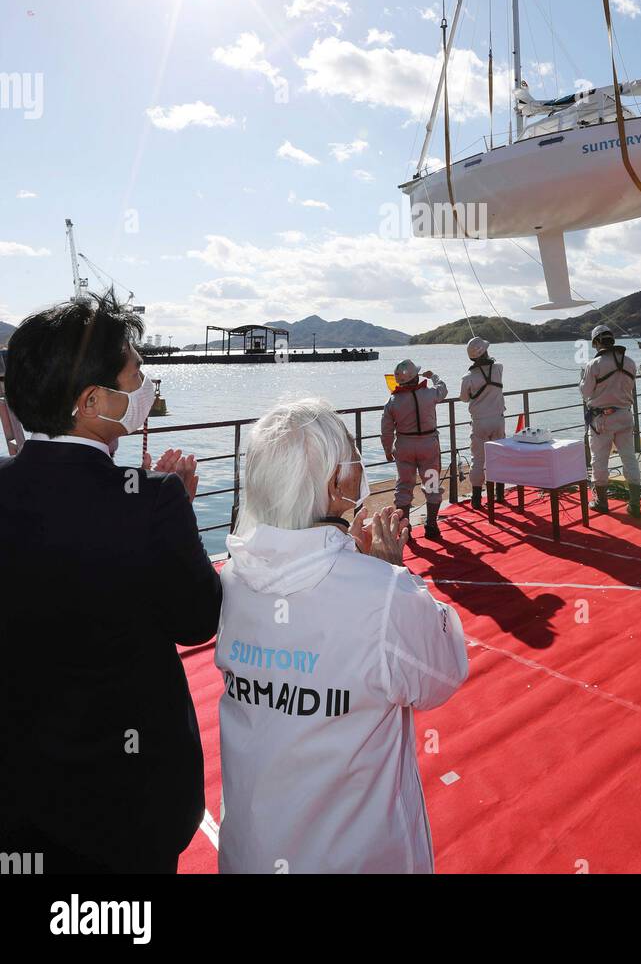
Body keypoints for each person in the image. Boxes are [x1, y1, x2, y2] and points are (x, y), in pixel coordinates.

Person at [0, 292, 221, 874]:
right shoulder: (154, 502)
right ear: (93, 400)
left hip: (21, 799)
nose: (146, 386)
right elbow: (198, 617)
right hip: (132, 802)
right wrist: (179, 518)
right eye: (135, 374)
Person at [216, 398, 468, 875]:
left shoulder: (232, 578)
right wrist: (396, 576)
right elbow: (442, 675)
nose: (361, 468)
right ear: (336, 484)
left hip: (248, 852)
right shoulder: (384, 593)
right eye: (353, 458)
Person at [381, 359, 448, 540]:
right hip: (429, 445)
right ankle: (432, 526)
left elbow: (386, 430)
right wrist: (433, 376)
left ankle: (405, 530)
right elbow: (443, 390)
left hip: (404, 446)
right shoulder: (429, 393)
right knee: (432, 484)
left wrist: (387, 450)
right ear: (415, 377)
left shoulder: (393, 401)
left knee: (403, 487)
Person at [581, 323, 641, 519]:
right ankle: (634, 504)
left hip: (602, 419)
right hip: (625, 414)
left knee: (599, 460)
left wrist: (583, 380)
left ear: (597, 342)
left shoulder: (594, 365)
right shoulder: (630, 362)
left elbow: (585, 392)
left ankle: (601, 502)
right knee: (629, 458)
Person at [460, 336, 505, 510]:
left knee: (478, 459)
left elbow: (464, 398)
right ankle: (499, 494)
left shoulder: (468, 377)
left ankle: (477, 498)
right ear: (485, 351)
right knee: (499, 457)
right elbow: (494, 365)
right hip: (498, 419)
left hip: (479, 421)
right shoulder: (498, 368)